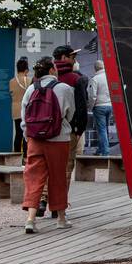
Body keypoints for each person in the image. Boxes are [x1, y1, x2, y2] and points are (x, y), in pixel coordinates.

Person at [20, 57, 75, 234]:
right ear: (52, 70)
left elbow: (24, 118)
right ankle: (60, 218)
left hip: (35, 139)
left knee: (34, 177)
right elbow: (70, 113)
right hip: (58, 139)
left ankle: (30, 219)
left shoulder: (30, 89)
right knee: (58, 176)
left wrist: (29, 136)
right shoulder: (64, 88)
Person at [52, 45, 90, 190]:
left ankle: (44, 198)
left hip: (43, 131)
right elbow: (81, 107)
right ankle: (59, 204)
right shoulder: (76, 79)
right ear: (64, 58)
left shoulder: (39, 79)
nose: (75, 60)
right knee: (66, 167)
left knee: (47, 166)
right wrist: (80, 130)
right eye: (72, 57)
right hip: (68, 130)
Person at [88, 60, 114, 156]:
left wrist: (91, 107)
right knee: (105, 128)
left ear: (95, 68)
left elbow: (92, 96)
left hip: (99, 107)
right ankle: (100, 149)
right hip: (109, 106)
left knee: (101, 129)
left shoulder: (95, 79)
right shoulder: (110, 78)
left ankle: (105, 151)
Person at [8, 58, 31, 156]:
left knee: (18, 134)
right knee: (26, 134)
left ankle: (16, 156)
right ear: (26, 69)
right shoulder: (30, 80)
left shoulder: (11, 81)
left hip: (16, 110)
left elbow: (11, 94)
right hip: (27, 110)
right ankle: (26, 156)